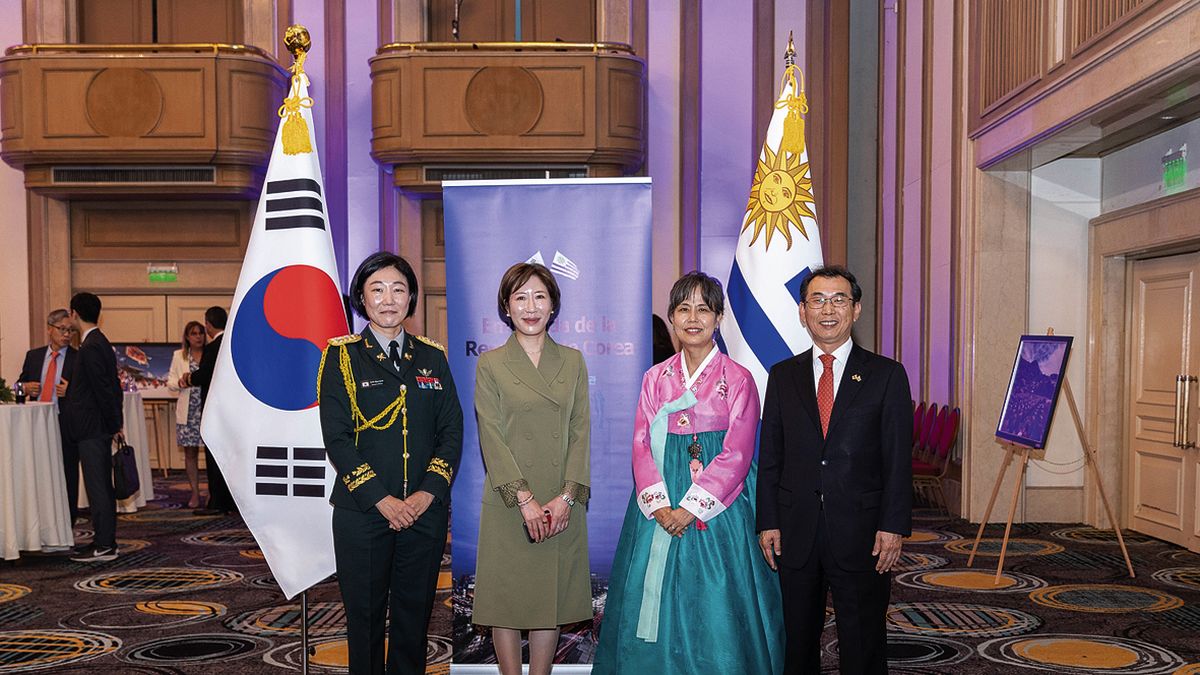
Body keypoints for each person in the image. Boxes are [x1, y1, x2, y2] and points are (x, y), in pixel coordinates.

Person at [593, 271, 784, 674]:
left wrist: (692, 508)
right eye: (683, 309)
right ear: (672, 317)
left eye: (703, 309)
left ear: (718, 318)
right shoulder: (654, 378)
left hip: (721, 505)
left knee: (717, 595)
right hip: (660, 499)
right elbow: (641, 445)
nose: (693, 318)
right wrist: (661, 507)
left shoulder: (739, 379)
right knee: (651, 591)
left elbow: (737, 452)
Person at [756, 265, 912, 674]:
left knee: (863, 643)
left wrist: (893, 525)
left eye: (839, 299)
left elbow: (898, 460)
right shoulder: (783, 376)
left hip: (864, 533)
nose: (829, 309)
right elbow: (771, 456)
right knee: (797, 642)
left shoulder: (886, 375)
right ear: (802, 311)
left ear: (856, 309)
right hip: (796, 531)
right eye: (818, 300)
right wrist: (768, 521)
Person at [319, 251, 463, 674]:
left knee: (413, 617)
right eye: (376, 289)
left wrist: (426, 494)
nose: (388, 299)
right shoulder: (342, 355)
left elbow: (451, 432)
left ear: (411, 298)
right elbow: (338, 439)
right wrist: (382, 500)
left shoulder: (432, 357)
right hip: (362, 512)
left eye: (398, 289)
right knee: (363, 620)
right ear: (361, 299)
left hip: (424, 513)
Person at [472, 262, 592, 675]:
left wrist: (566, 498)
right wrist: (523, 499)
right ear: (506, 307)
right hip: (510, 499)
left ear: (553, 306)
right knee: (506, 600)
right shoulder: (490, 364)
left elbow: (580, 431)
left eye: (539, 296)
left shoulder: (573, 361)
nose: (530, 306)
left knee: (548, 600)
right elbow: (491, 437)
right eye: (520, 297)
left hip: (559, 499)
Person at [63, 292, 123, 563]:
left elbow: (104, 390)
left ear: (75, 313)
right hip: (94, 426)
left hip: (93, 428)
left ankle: (105, 546)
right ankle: (103, 541)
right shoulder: (98, 343)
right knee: (99, 485)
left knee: (99, 487)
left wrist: (114, 424)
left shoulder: (91, 346)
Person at [16, 309, 79, 523]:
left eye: (71, 330)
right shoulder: (33, 356)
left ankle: (68, 521)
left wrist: (70, 392)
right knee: (37, 473)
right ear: (49, 329)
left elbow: (87, 394)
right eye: (62, 329)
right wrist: (25, 387)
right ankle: (38, 520)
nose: (67, 335)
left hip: (64, 422)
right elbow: (18, 385)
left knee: (67, 472)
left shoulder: (78, 358)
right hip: (36, 423)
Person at [185, 306, 235, 516]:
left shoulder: (214, 347)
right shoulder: (233, 342)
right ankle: (231, 500)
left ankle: (218, 501)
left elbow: (204, 375)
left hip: (215, 410)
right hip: (232, 410)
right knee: (231, 456)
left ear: (208, 325)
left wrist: (188, 378)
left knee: (214, 458)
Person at [166, 321, 207, 509]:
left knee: (211, 454)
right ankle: (195, 493)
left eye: (201, 333)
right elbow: (170, 382)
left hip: (208, 410)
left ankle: (213, 491)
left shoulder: (211, 354)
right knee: (190, 453)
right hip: (188, 412)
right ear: (187, 337)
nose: (198, 337)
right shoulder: (179, 356)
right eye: (194, 333)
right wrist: (181, 383)